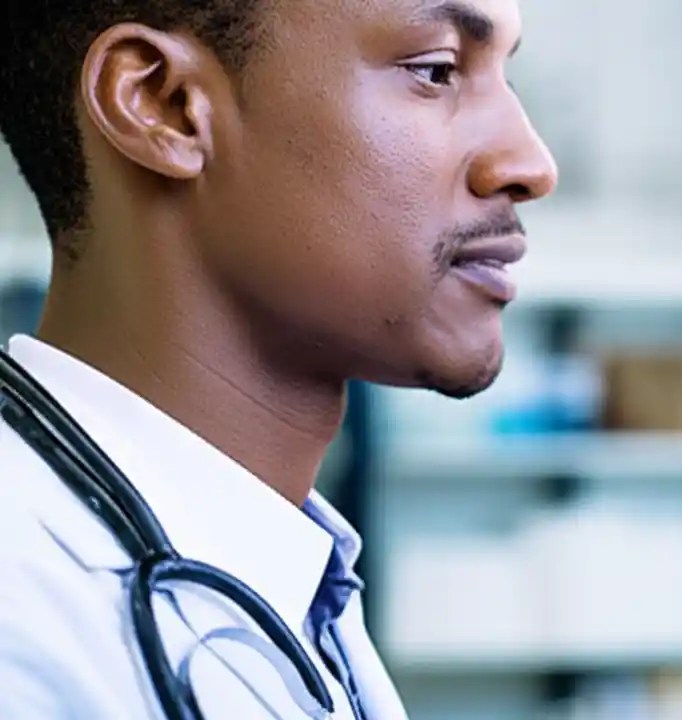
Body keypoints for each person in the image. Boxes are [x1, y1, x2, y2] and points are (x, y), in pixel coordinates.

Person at [0, 0, 557, 717]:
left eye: (503, 76)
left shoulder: (290, 582)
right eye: (437, 71)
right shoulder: (24, 622)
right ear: (162, 105)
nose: (531, 165)